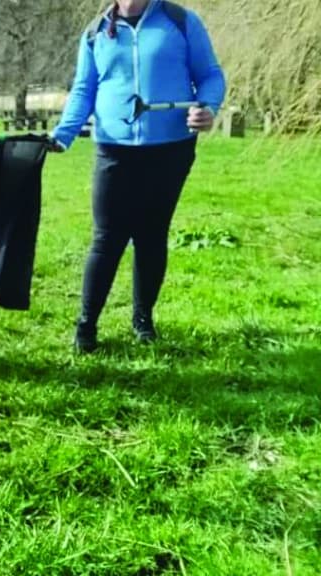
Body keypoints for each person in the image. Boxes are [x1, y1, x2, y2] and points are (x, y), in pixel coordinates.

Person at [50, 0, 226, 353]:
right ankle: (87, 325)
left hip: (170, 149)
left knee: (151, 235)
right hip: (113, 150)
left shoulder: (181, 22)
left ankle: (143, 320)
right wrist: (62, 135)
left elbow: (210, 74)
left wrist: (207, 107)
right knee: (106, 239)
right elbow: (84, 89)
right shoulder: (95, 31)